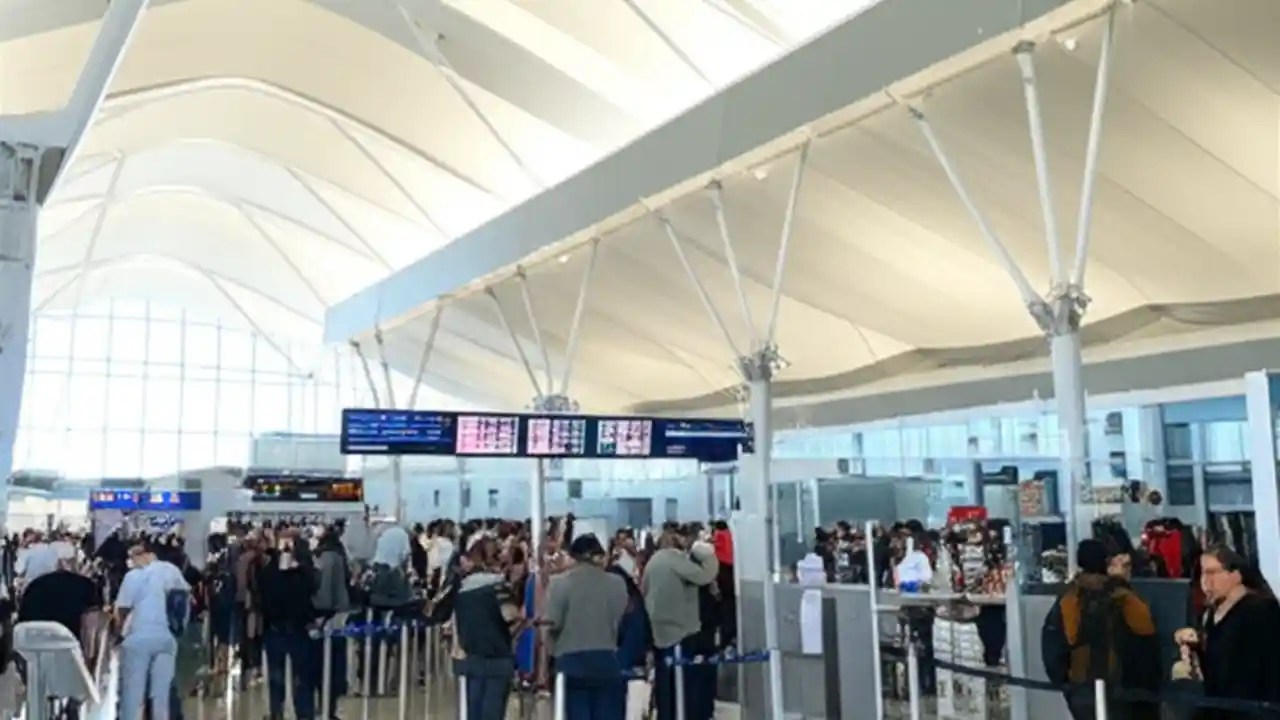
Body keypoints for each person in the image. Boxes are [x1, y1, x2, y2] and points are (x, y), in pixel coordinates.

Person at [1041, 539, 1159, 720]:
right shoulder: (1125, 597)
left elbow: (1053, 647)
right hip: (1121, 692)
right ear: (1105, 562)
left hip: (1080, 689)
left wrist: (1065, 684)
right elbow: (1147, 643)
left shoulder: (1069, 599)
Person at [1178, 546, 1280, 719]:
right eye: (1203, 574)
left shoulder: (1261, 611)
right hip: (1220, 708)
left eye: (1212, 573)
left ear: (1236, 575)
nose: (1206, 581)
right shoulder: (1211, 613)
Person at [544, 534, 628, 720]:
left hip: (571, 661)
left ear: (573, 557)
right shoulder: (617, 583)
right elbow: (622, 618)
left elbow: (553, 624)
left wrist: (549, 655)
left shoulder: (559, 583)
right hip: (607, 659)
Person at [642, 528, 719, 720]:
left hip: (659, 631)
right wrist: (705, 552)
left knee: (665, 686)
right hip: (681, 631)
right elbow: (706, 575)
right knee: (686, 687)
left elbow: (644, 590)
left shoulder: (653, 562)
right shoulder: (675, 561)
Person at [115, 542, 190, 720]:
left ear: (147, 554)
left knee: (132, 695)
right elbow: (184, 600)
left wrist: (118, 634)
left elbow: (123, 609)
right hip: (166, 638)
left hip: (138, 639)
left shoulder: (133, 576)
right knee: (160, 696)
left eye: (134, 556)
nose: (131, 560)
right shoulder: (171, 570)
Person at [452, 536, 523, 720]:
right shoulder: (497, 585)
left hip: (471, 660)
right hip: (497, 660)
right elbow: (511, 616)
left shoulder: (462, 588)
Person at [258, 531, 317, 720]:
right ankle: (301, 714)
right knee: (299, 678)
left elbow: (264, 598)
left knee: (280, 678)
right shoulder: (303, 573)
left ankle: (278, 713)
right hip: (295, 630)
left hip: (278, 630)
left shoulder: (269, 572)